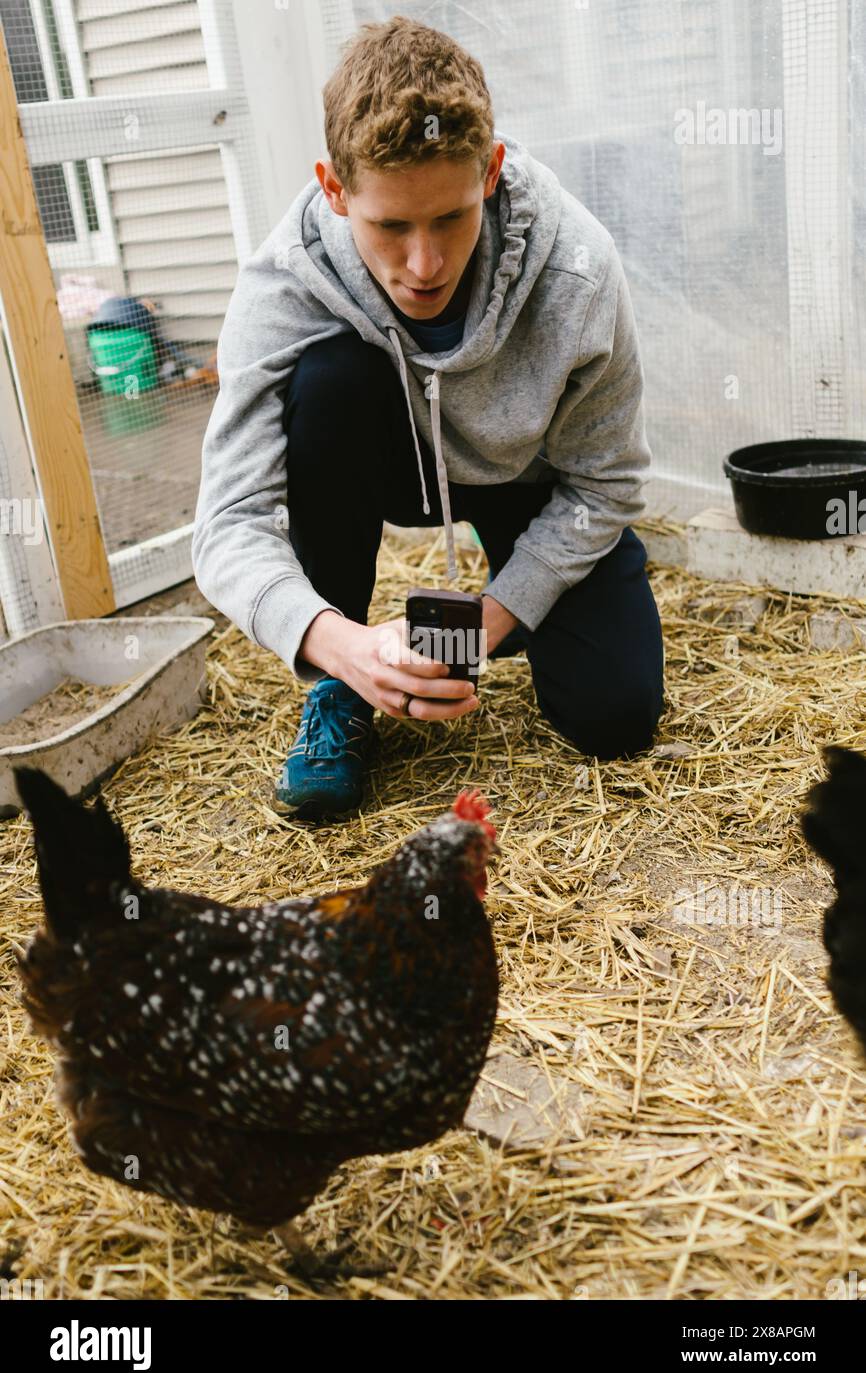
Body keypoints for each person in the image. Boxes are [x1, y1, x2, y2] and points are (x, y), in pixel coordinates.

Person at [192, 15, 665, 819]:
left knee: (614, 717)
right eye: (390, 226)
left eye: (450, 218)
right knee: (331, 378)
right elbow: (227, 523)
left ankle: (530, 588)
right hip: (386, 457)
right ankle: (340, 698)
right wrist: (341, 647)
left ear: (491, 172)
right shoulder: (284, 283)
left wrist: (492, 615)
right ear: (335, 189)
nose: (424, 264)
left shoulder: (578, 268)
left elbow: (607, 482)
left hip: (528, 476)